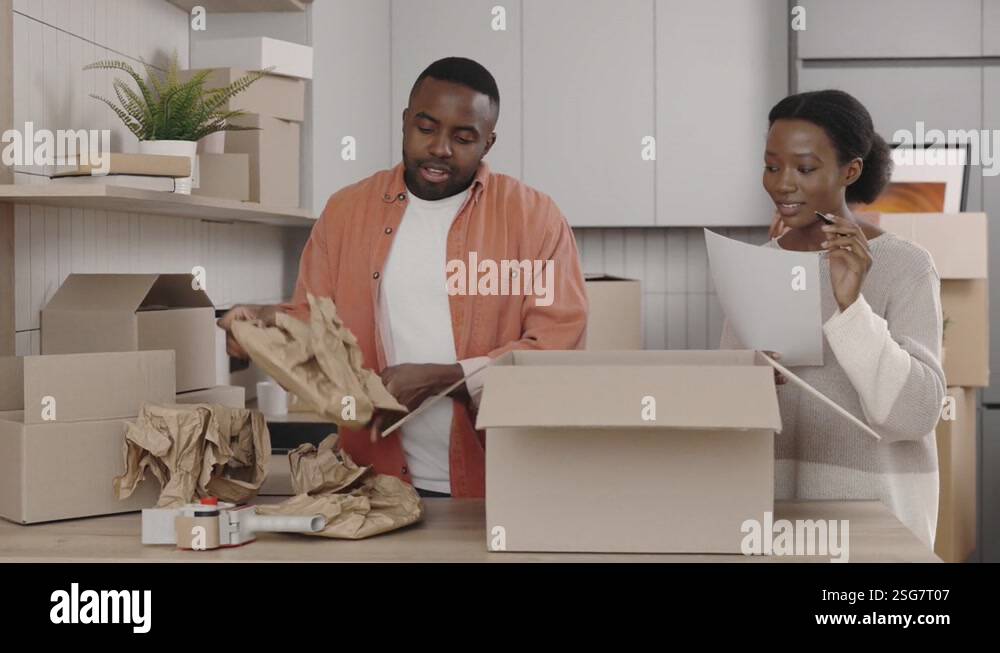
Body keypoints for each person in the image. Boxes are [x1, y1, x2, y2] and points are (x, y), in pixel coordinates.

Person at [218, 57, 588, 498]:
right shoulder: (345, 212)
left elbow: (556, 345)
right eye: (426, 128)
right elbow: (314, 327)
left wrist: (447, 377)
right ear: (405, 121)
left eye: (463, 137)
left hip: (500, 485)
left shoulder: (535, 219)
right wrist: (264, 326)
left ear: (488, 143)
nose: (440, 149)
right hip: (371, 484)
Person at [721, 89, 946, 547]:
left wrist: (851, 308)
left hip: (879, 527)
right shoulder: (755, 268)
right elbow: (726, 419)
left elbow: (916, 414)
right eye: (771, 166)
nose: (783, 184)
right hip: (775, 523)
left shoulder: (906, 266)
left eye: (805, 168)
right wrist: (745, 383)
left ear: (851, 170)